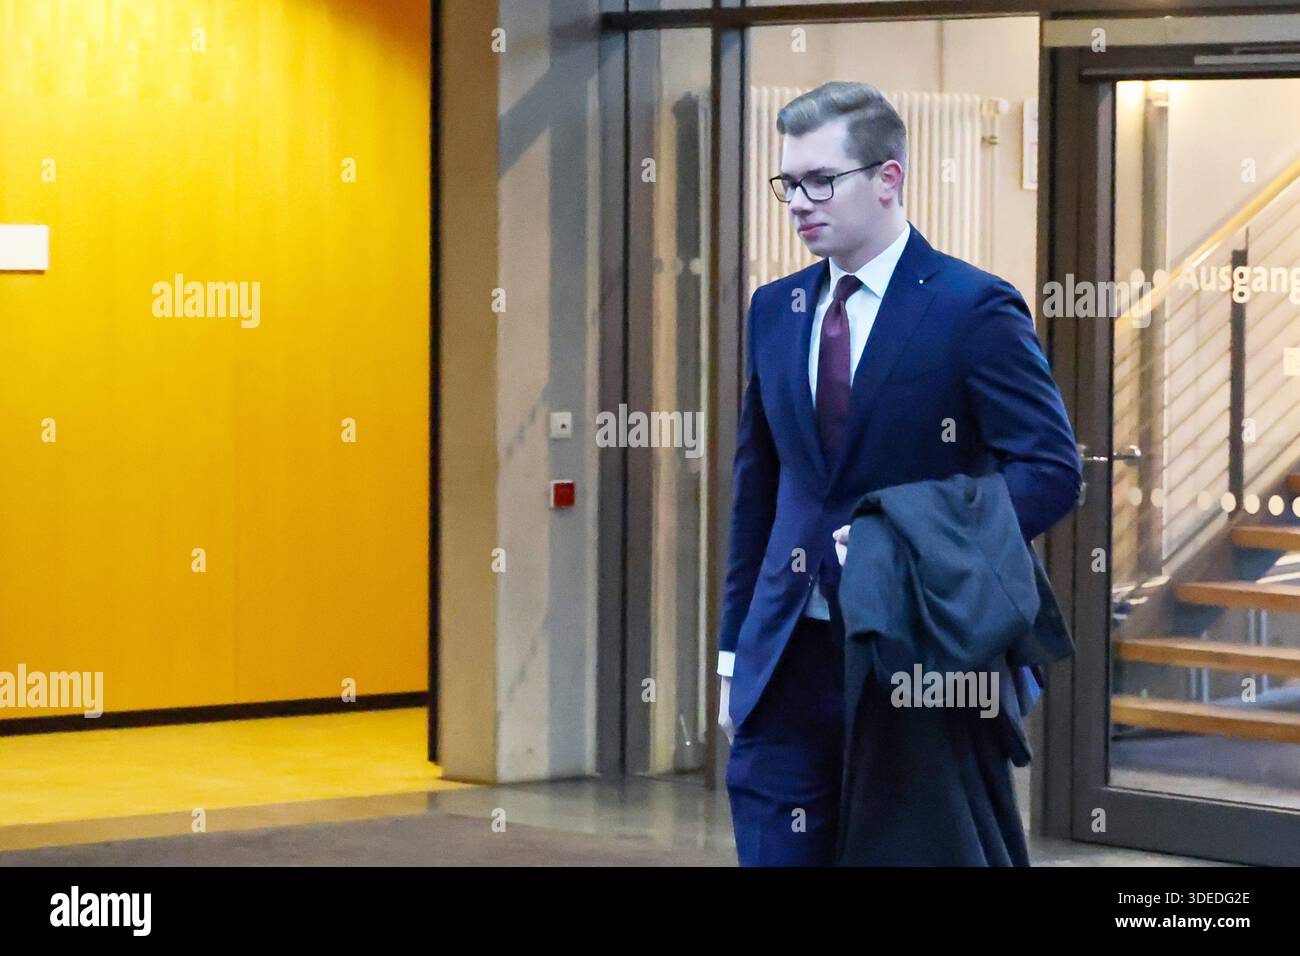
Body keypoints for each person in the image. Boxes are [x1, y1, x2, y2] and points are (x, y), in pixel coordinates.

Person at [718, 81, 1081, 866]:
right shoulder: (773, 310)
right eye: (790, 183)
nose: (799, 202)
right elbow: (760, 489)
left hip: (916, 657)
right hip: (783, 661)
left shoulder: (971, 308)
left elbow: (1051, 470)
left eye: (823, 180)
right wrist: (731, 653)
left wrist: (903, 539)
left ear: (889, 179)